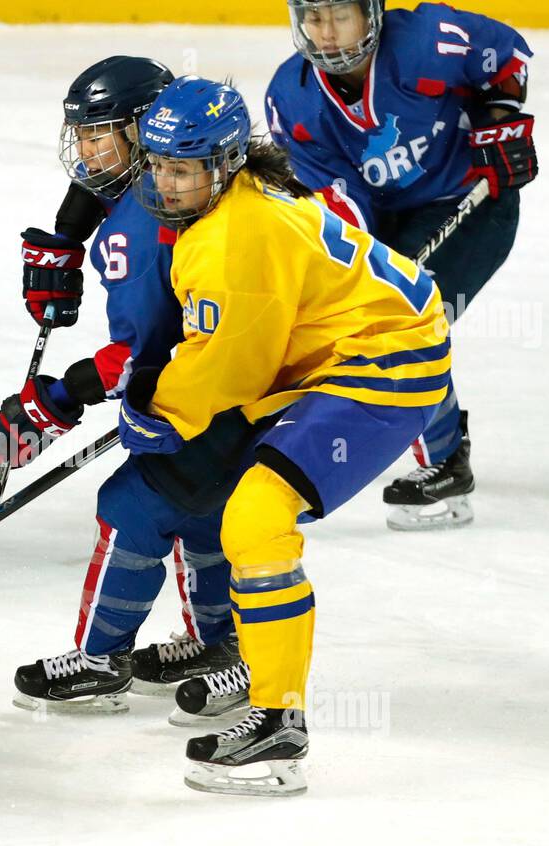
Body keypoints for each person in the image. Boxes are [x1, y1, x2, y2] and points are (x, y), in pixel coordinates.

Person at [122, 76, 450, 794]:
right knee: (245, 507)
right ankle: (257, 665)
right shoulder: (234, 209)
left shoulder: (234, 236)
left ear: (227, 162)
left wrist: (157, 413)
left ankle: (278, 723)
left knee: (256, 516)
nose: (165, 183)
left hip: (383, 360)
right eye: (157, 165)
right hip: (343, 348)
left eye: (182, 168)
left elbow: (231, 368)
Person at [0, 56, 245, 719]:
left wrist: (57, 400)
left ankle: (102, 660)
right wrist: (65, 237)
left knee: (134, 508)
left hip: (214, 397)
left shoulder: (149, 224)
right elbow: (102, 193)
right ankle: (223, 645)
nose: (88, 151)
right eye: (82, 135)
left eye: (103, 134)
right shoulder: (184, 185)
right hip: (248, 395)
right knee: (207, 518)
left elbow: (144, 357)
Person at [265, 0, 536, 530]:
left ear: (372, 13)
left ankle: (445, 461)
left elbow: (506, 58)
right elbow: (337, 206)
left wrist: (502, 124)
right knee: (373, 317)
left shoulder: (429, 40)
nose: (326, 33)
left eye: (339, 16)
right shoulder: (292, 97)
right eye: (312, 18)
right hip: (385, 218)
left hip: (471, 201)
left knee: (403, 323)